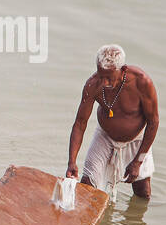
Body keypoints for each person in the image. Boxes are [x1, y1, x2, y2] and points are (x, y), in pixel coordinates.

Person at [67, 44, 159, 200]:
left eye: (109, 77)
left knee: (142, 192)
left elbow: (153, 122)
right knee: (87, 185)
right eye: (100, 75)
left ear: (123, 70)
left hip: (137, 138)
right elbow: (80, 123)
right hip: (105, 136)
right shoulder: (92, 85)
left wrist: (138, 161)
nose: (104, 82)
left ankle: (135, 224)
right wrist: (72, 161)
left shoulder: (142, 82)